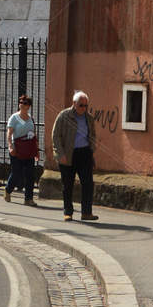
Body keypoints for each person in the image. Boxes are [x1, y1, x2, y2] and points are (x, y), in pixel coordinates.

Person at [48, 90, 98, 223]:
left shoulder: (89, 118)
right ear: (74, 103)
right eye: (81, 105)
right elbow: (55, 136)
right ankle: (68, 212)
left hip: (85, 153)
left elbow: (93, 134)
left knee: (88, 184)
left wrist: (92, 149)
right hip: (68, 154)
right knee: (68, 185)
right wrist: (60, 154)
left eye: (86, 105)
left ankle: (86, 212)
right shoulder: (63, 116)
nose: (84, 108)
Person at [5, 94, 39, 206]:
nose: (22, 105)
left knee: (30, 175)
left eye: (25, 103)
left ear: (29, 106)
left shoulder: (31, 119)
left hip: (29, 150)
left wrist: (36, 150)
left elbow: (34, 135)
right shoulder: (14, 118)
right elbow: (9, 133)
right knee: (16, 173)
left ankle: (28, 199)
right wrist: (10, 146)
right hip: (17, 149)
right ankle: (8, 190)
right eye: (21, 102)